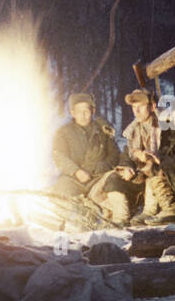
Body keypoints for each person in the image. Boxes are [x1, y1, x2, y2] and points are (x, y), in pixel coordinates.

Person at [49, 92, 132, 226]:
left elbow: (114, 154)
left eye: (86, 111)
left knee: (114, 179)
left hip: (99, 178)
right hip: (74, 179)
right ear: (72, 112)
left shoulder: (103, 130)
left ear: (93, 111)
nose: (83, 115)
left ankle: (120, 220)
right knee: (61, 190)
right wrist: (76, 171)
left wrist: (102, 166)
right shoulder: (63, 132)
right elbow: (59, 156)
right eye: (79, 111)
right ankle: (75, 222)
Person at [121, 88, 175, 224]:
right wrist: (128, 166)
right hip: (143, 175)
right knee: (117, 179)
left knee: (153, 167)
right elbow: (126, 154)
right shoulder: (133, 129)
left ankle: (170, 208)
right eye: (134, 107)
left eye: (141, 106)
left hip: (169, 172)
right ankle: (148, 210)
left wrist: (152, 156)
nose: (136, 111)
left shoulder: (165, 124)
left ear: (152, 106)